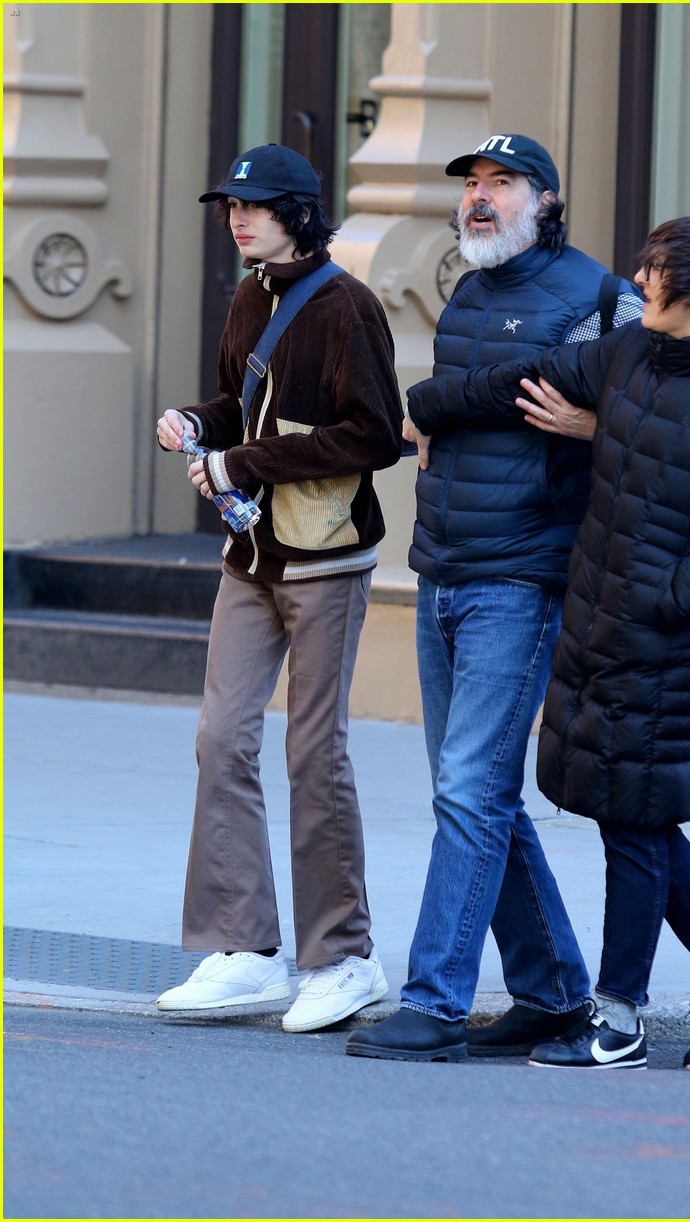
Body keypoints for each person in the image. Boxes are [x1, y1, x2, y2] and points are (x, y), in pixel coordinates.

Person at [404, 214, 690, 1070]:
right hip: (603, 623)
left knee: (632, 819)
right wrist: (427, 407)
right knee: (633, 812)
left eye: (652, 270)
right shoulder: (629, 356)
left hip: (673, 638)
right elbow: (525, 377)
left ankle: (616, 1018)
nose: (637, 280)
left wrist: (663, 599)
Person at [346, 134, 642, 1061]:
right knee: (475, 796)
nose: (480, 199)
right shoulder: (470, 289)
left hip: (523, 577)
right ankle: (553, 987)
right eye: (472, 184)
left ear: (546, 200)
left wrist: (593, 421)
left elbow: (646, 406)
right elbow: (473, 404)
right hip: (442, 566)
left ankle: (433, 1000)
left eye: (501, 184)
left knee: (470, 792)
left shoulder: (600, 298)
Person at [155, 144, 404, 1032]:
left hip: (325, 557)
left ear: (300, 211)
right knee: (221, 739)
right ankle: (244, 948)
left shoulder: (347, 306)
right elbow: (238, 400)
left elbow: (375, 434)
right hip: (251, 554)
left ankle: (343, 958)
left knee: (313, 753)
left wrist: (240, 459)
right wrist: (196, 422)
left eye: (253, 204)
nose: (236, 216)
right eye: (229, 203)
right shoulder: (250, 292)